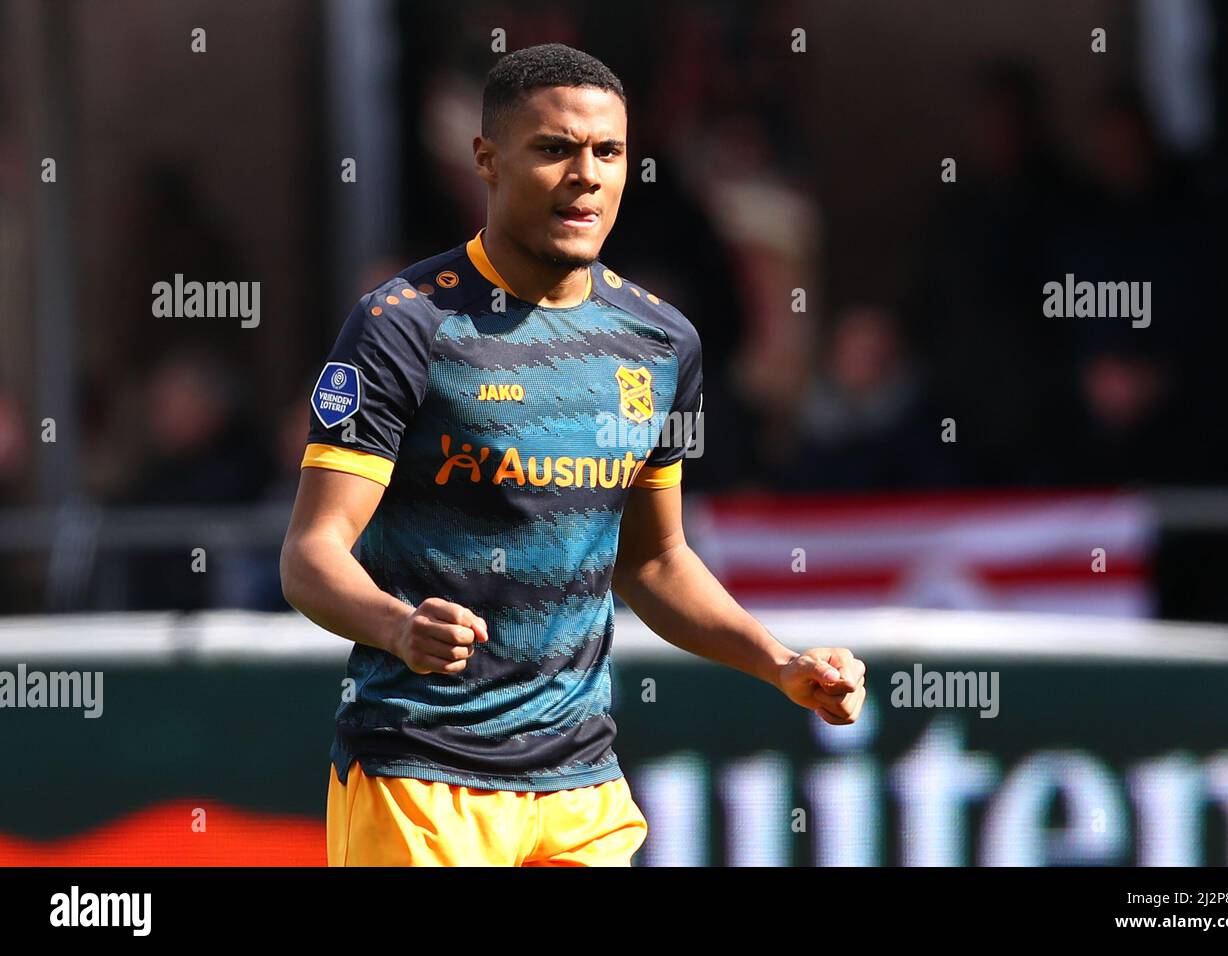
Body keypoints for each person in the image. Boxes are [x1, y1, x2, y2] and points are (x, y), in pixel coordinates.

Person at [279, 43, 867, 867]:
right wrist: (400, 626)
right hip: (422, 778)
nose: (586, 174)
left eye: (609, 152)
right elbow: (310, 556)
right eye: (554, 149)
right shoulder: (403, 326)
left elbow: (656, 562)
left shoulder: (662, 342)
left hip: (582, 787)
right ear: (487, 160)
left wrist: (781, 663)